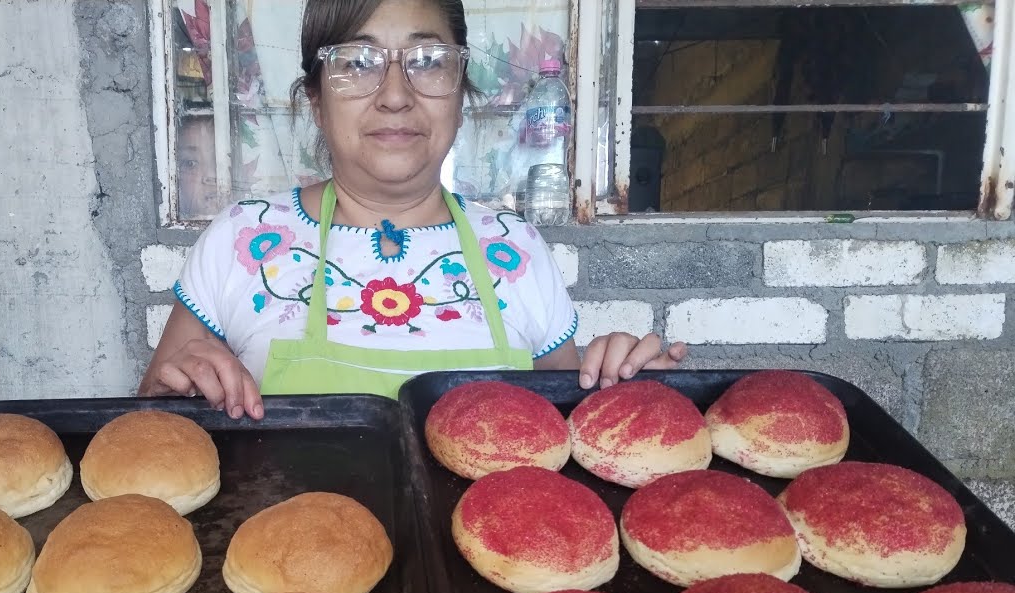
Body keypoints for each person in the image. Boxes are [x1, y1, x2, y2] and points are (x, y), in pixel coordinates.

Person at [140, 0, 686, 419]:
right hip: (294, 561)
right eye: (357, 61)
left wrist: (621, 387)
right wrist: (172, 395)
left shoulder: (515, 248)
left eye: (427, 61)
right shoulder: (244, 239)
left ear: (460, 92)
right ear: (316, 99)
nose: (395, 94)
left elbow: (569, 421)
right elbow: (150, 422)